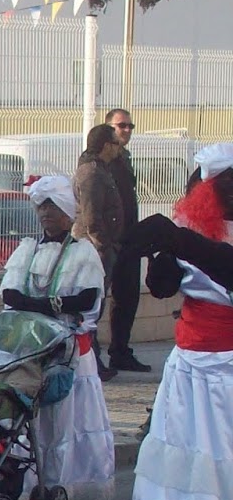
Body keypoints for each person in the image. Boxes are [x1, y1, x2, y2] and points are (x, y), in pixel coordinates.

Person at [126, 145, 233, 500]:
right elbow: (165, 288)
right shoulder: (186, 225)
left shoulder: (187, 234)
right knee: (181, 439)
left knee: (225, 443)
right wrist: (162, 267)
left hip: (228, 357)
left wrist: (180, 244)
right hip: (189, 354)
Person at [0, 176, 114, 500]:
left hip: (68, 350)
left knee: (66, 419)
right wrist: (51, 307)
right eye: (42, 207)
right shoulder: (28, 248)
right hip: (33, 344)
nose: (46, 213)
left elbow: (88, 298)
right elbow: (10, 294)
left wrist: (38, 305)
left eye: (53, 206)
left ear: (67, 212)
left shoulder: (83, 252)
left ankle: (58, 483)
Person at [73, 121, 126, 381]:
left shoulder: (101, 169)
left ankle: (93, 358)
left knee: (96, 305)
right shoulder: (93, 172)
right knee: (92, 307)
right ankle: (90, 359)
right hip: (94, 249)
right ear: (106, 145)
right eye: (116, 143)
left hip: (100, 248)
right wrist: (103, 246)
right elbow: (91, 215)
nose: (119, 148)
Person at [104, 107, 151, 373]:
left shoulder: (125, 158)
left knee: (128, 296)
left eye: (130, 126)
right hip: (109, 240)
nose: (127, 131)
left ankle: (121, 351)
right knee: (97, 298)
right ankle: (94, 356)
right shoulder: (102, 161)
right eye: (122, 125)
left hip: (129, 238)